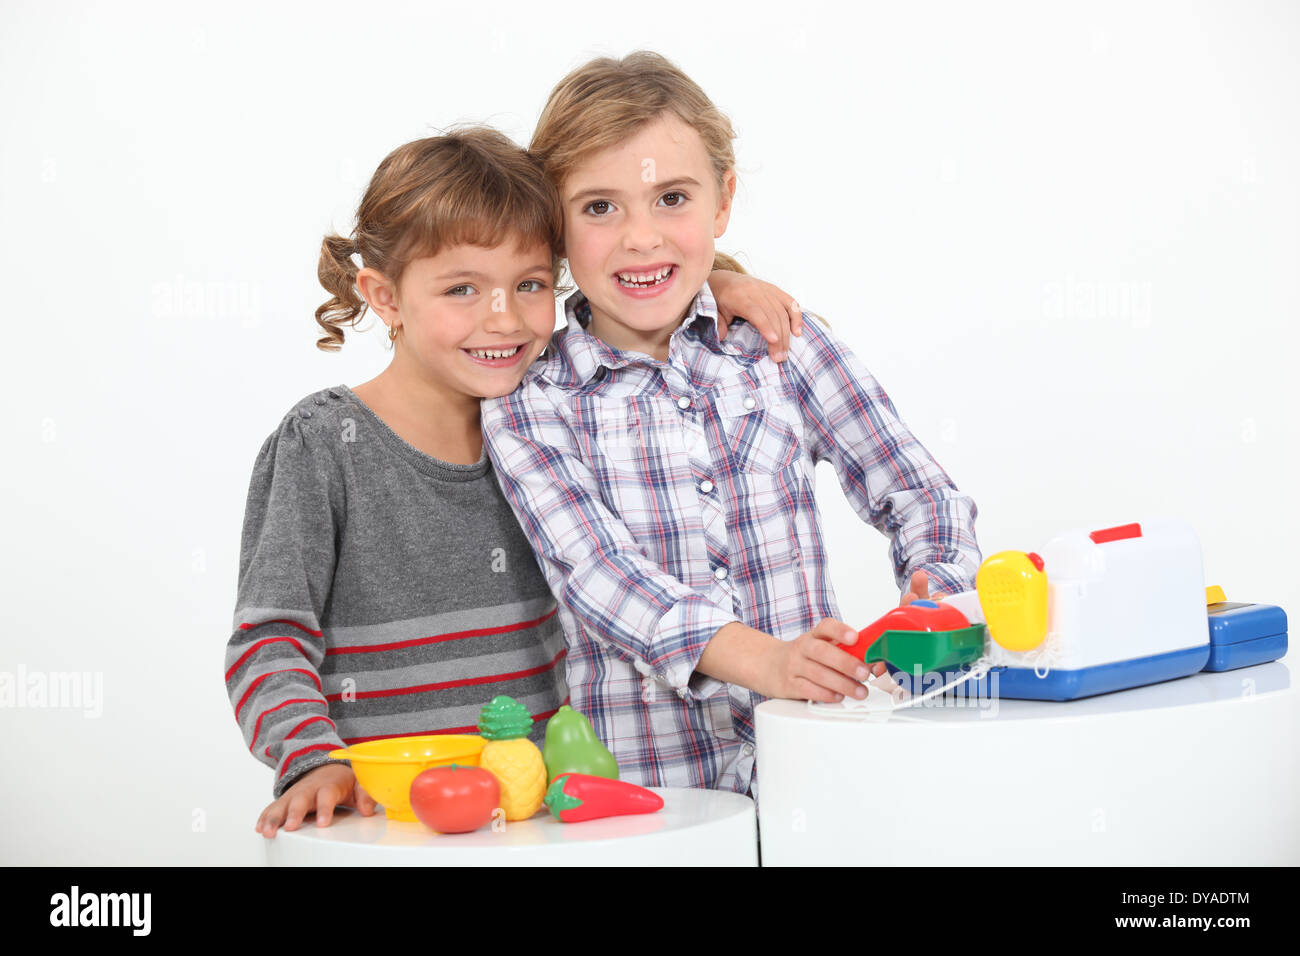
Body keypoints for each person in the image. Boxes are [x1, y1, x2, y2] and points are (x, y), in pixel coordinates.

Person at [225, 125, 806, 838]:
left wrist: (717, 281)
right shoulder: (323, 445)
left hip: (542, 827)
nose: (502, 318)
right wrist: (311, 760)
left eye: (529, 285)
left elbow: (627, 305)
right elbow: (269, 637)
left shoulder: (556, 421)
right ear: (384, 296)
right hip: (386, 824)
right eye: (462, 288)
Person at [481, 52, 983, 799]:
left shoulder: (781, 345)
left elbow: (917, 492)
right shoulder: (528, 401)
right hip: (650, 804)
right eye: (599, 207)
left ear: (722, 203)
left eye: (672, 198)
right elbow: (601, 576)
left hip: (823, 771)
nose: (641, 238)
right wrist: (766, 661)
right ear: (553, 229)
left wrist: (933, 599)